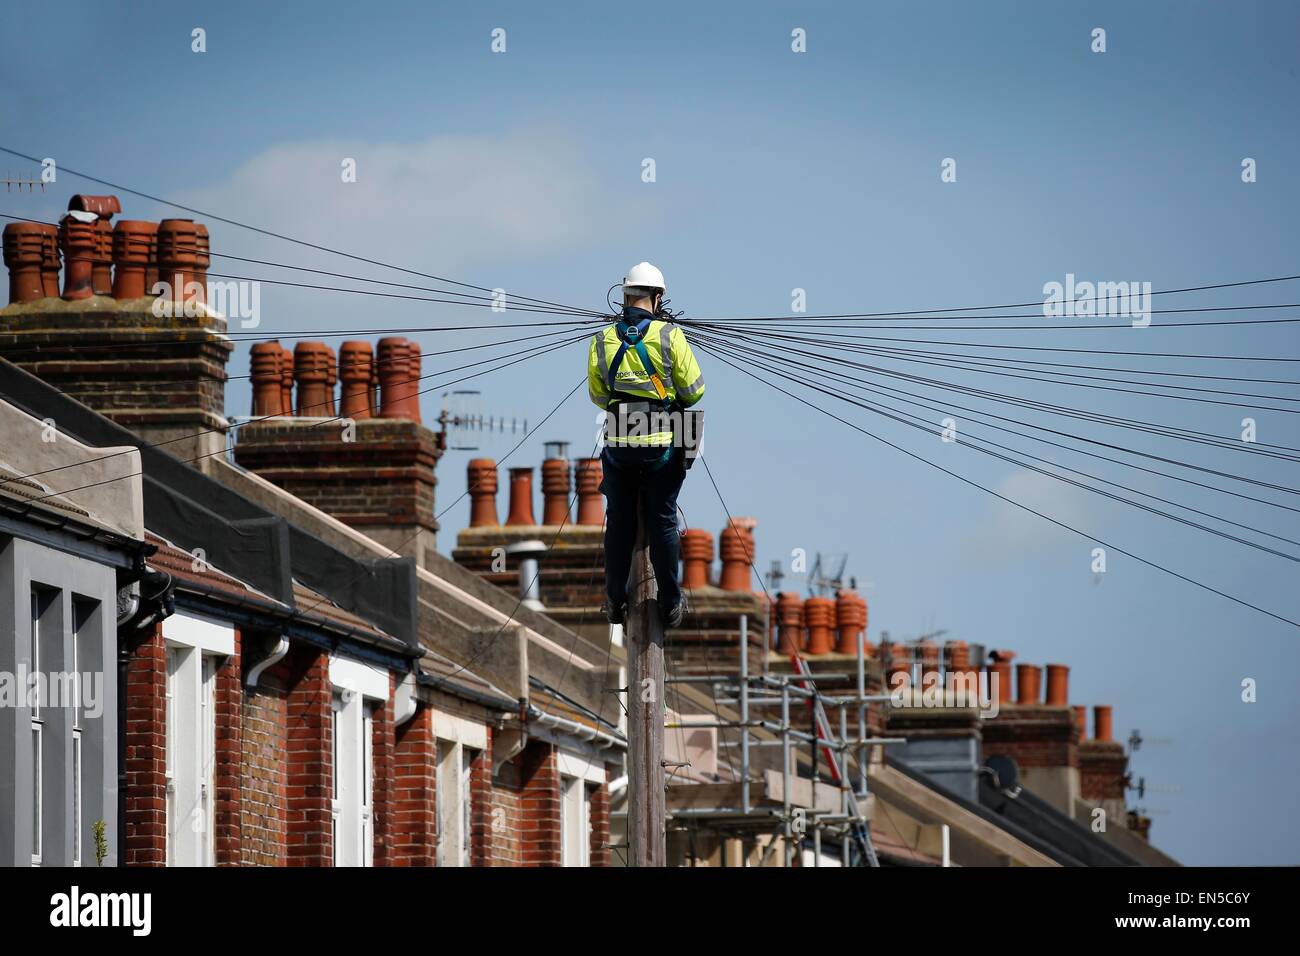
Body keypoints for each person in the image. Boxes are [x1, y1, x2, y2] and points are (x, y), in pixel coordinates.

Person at [587, 261, 706, 629]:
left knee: (619, 522)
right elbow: (694, 391)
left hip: (619, 447)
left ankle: (613, 598)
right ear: (657, 297)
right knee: (663, 519)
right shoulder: (670, 336)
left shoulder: (602, 339)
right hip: (660, 449)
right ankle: (670, 600)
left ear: (624, 295)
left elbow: (598, 395)